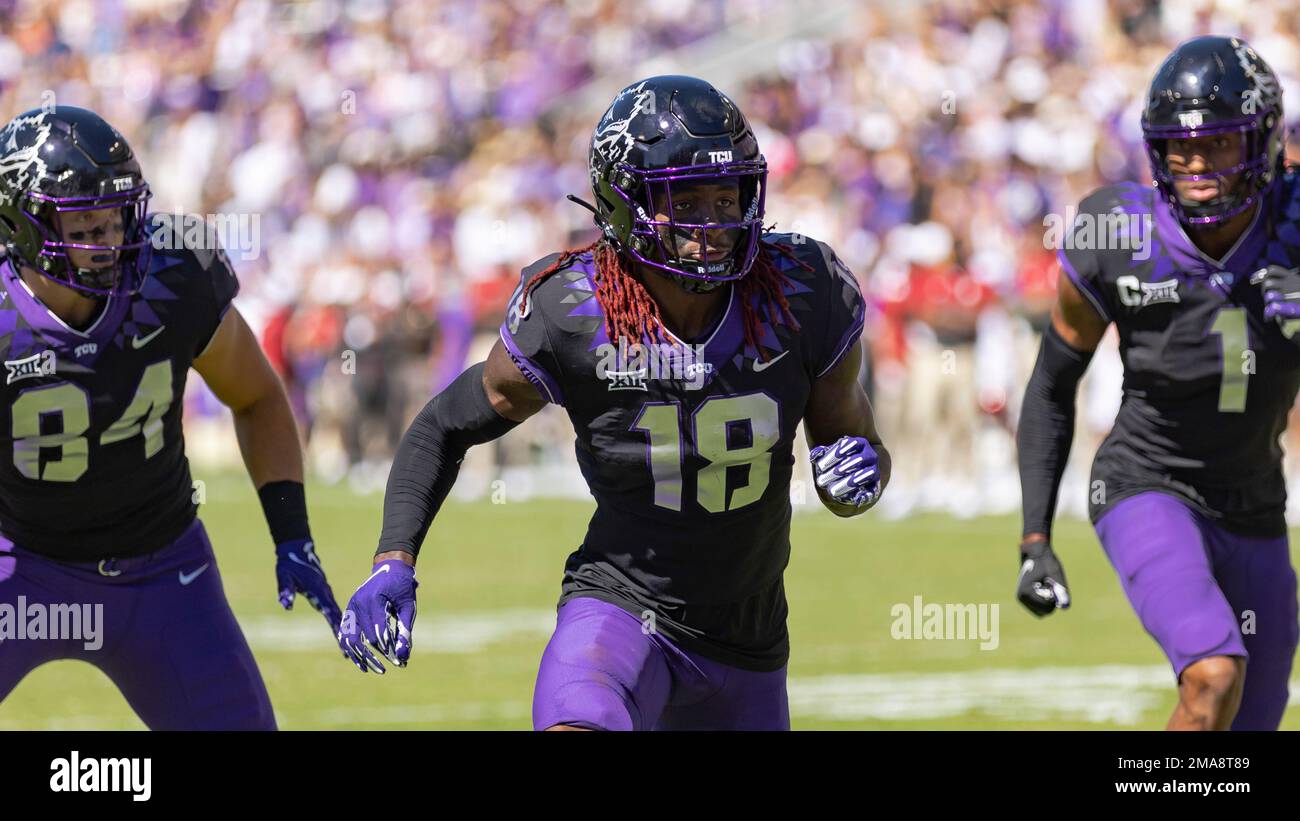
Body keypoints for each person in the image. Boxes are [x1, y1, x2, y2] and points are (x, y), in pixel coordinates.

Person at [338, 75, 891, 731]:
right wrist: (393, 560)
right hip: (620, 611)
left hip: (749, 639)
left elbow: (851, 446)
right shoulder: (576, 309)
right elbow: (444, 425)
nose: (712, 222)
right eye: (684, 198)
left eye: (727, 194)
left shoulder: (801, 291)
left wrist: (859, 476)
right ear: (624, 200)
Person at [0, 106, 343, 729]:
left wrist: (291, 532)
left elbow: (257, 396)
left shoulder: (172, 275)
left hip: (159, 568)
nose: (110, 242)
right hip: (22, 565)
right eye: (86, 224)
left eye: (118, 217)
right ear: (20, 226)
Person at [1016, 37, 1300, 730]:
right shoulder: (1118, 232)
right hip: (1149, 482)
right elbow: (1054, 382)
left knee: (1250, 724)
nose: (1196, 166)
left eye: (1218, 146)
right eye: (1179, 148)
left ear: (1262, 143)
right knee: (1211, 676)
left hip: (1256, 502)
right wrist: (1033, 537)